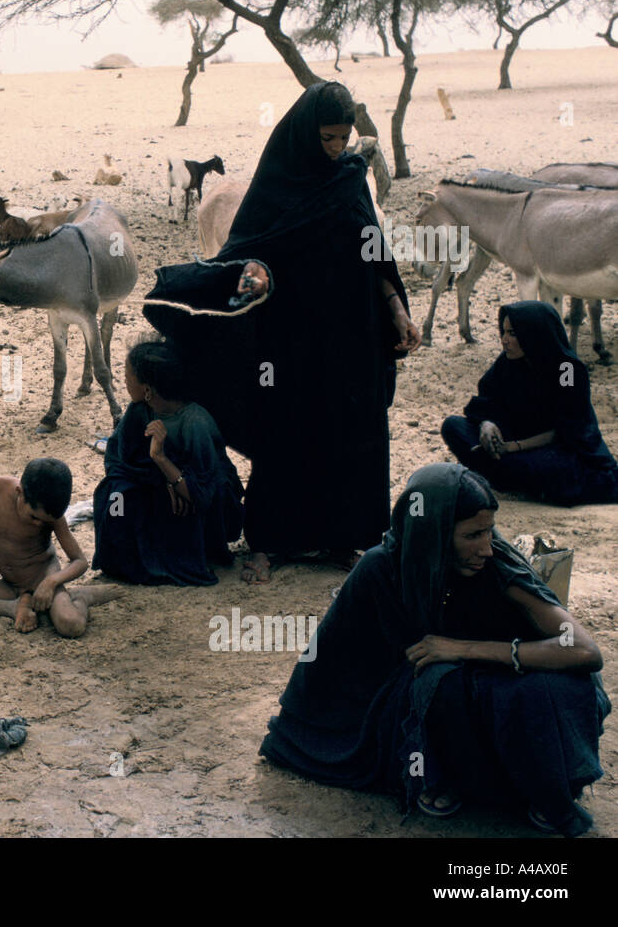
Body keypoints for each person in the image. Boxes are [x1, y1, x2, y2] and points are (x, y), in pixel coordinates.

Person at [142, 82, 421, 583]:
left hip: (351, 333)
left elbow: (375, 255)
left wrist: (398, 310)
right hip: (287, 338)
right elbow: (249, 248)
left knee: (350, 431)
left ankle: (341, 538)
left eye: (343, 139)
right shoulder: (277, 183)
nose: (336, 149)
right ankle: (270, 542)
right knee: (284, 431)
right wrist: (253, 272)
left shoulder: (350, 179)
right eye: (327, 139)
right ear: (303, 134)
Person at [259, 463, 609, 836]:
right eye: (472, 535)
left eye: (489, 531)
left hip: (500, 681)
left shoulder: (496, 565)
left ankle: (541, 789)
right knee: (441, 685)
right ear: (436, 532)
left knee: (558, 688)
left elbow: (584, 650)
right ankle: (446, 776)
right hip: (423, 699)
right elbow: (332, 666)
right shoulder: (383, 568)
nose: (486, 548)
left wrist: (465, 648)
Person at [92, 338, 244, 586]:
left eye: (128, 376)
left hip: (206, 498)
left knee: (175, 505)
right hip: (163, 482)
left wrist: (161, 460)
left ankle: (178, 557)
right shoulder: (140, 410)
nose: (125, 381)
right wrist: (160, 480)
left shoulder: (195, 423)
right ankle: (125, 560)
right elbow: (117, 457)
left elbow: (201, 494)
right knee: (115, 494)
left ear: (148, 389)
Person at [441, 301, 618, 506]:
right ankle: (508, 474)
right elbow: (488, 401)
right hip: (511, 441)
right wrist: (487, 424)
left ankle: (507, 474)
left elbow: (565, 430)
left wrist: (513, 448)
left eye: (513, 334)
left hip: (553, 447)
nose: (505, 341)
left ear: (534, 333)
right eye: (503, 332)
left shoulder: (566, 370)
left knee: (548, 470)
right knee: (453, 426)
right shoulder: (509, 361)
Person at [0, 458, 121, 637]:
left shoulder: (53, 516)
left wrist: (51, 583)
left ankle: (79, 597)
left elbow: (80, 561)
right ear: (19, 493)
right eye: (34, 517)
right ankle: (15, 606)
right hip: (10, 586)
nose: (38, 524)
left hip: (42, 582)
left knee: (70, 624)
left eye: (44, 521)